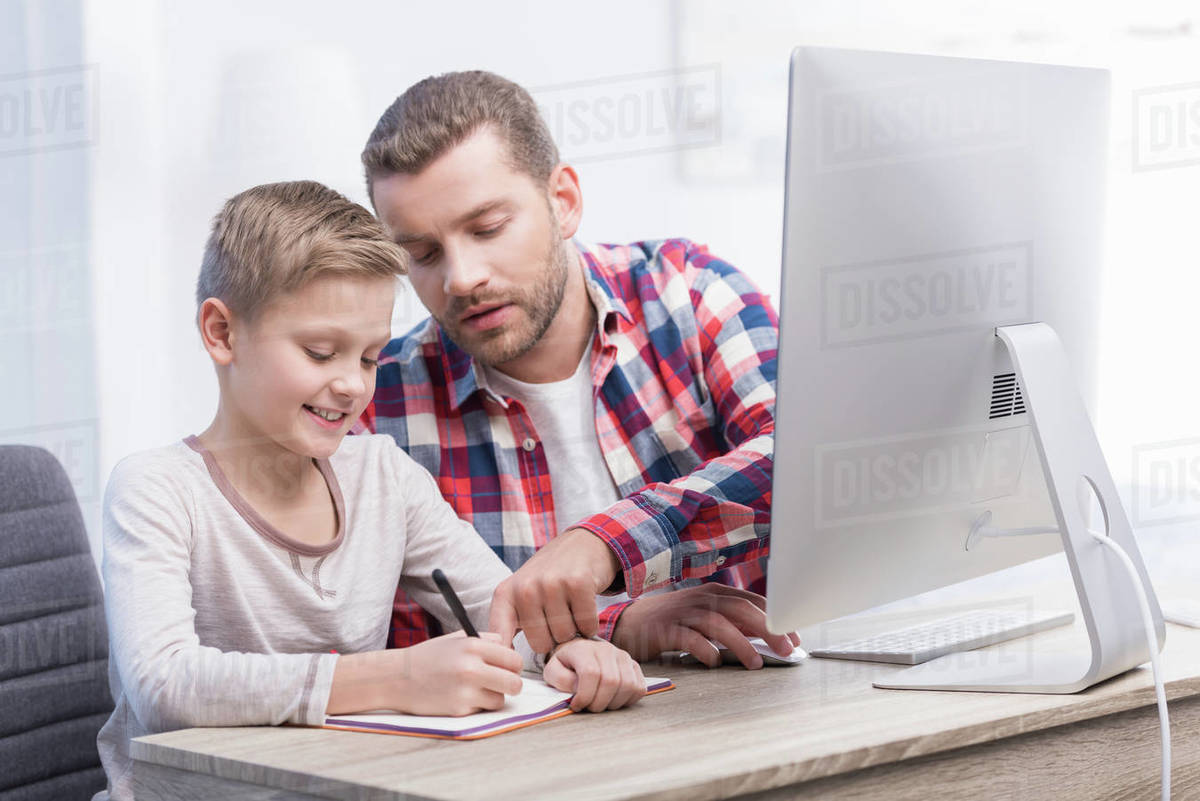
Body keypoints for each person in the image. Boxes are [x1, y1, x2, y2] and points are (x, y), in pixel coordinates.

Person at [94, 181, 646, 801]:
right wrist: (396, 676)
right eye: (320, 352)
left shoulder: (384, 478)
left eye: (368, 358)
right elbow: (162, 684)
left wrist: (561, 652)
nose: (352, 386)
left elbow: (501, 613)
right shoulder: (156, 489)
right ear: (222, 332)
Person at [357, 71, 798, 667]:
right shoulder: (377, 405)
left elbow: (805, 456)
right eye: (423, 254)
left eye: (487, 228)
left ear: (563, 202)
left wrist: (605, 542)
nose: (460, 278)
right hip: (526, 752)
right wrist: (619, 623)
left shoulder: (689, 296)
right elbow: (401, 642)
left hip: (752, 710)